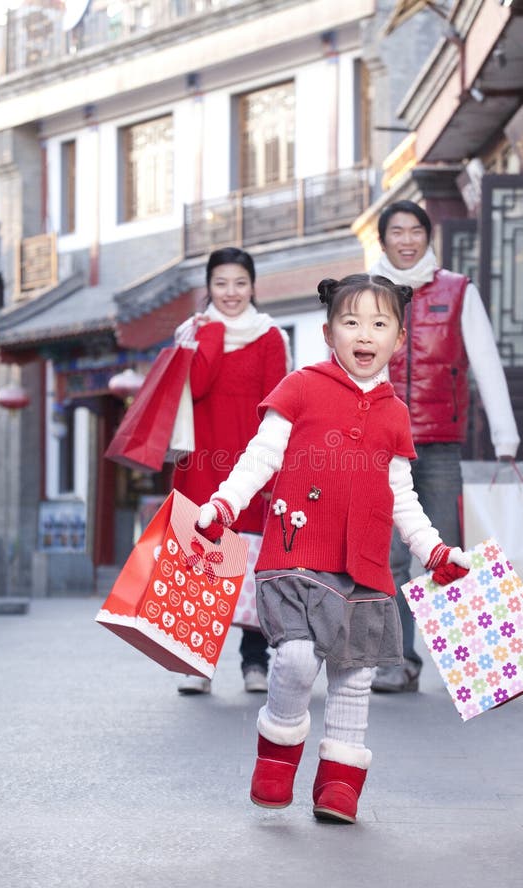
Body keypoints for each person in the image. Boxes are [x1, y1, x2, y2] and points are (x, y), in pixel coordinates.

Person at [196, 273, 471, 824]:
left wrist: (435, 551)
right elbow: (259, 456)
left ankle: (338, 787)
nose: (363, 334)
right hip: (296, 556)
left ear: (398, 339)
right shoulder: (300, 386)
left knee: (353, 676)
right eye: (351, 322)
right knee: (296, 659)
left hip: (365, 569)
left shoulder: (396, 413)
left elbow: (401, 496)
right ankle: (277, 752)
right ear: (329, 332)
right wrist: (224, 505)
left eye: (378, 323)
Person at [368, 200, 520, 694]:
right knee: (388, 558)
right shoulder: (365, 293)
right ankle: (396, 662)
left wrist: (505, 437)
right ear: (383, 239)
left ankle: (482, 665)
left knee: (448, 555)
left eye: (415, 231)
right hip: (380, 447)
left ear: (427, 236)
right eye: (397, 232)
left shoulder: (457, 290)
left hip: (438, 446)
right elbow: (343, 363)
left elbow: (486, 362)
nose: (406, 240)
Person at [172, 247, 291, 695]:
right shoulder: (193, 333)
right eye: (221, 283)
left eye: (240, 283)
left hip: (251, 462)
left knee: (254, 563)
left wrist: (271, 470)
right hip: (202, 462)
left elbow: (277, 406)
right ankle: (195, 662)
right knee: (201, 562)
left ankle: (254, 662)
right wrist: (211, 332)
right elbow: (198, 385)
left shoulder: (270, 336)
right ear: (208, 288)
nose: (231, 292)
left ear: (254, 286)